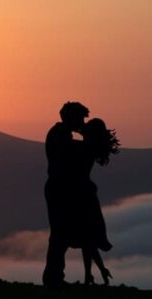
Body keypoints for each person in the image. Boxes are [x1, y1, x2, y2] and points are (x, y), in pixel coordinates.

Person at [42, 101, 89, 287]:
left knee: (60, 233)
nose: (82, 123)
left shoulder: (60, 134)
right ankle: (53, 278)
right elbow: (70, 155)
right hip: (59, 188)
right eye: (80, 119)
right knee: (59, 233)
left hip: (58, 187)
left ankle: (55, 276)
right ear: (72, 118)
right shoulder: (60, 135)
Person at [75, 118, 119, 285]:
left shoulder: (84, 148)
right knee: (89, 237)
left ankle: (91, 274)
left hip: (81, 194)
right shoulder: (92, 148)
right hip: (87, 194)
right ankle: (95, 273)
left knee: (86, 237)